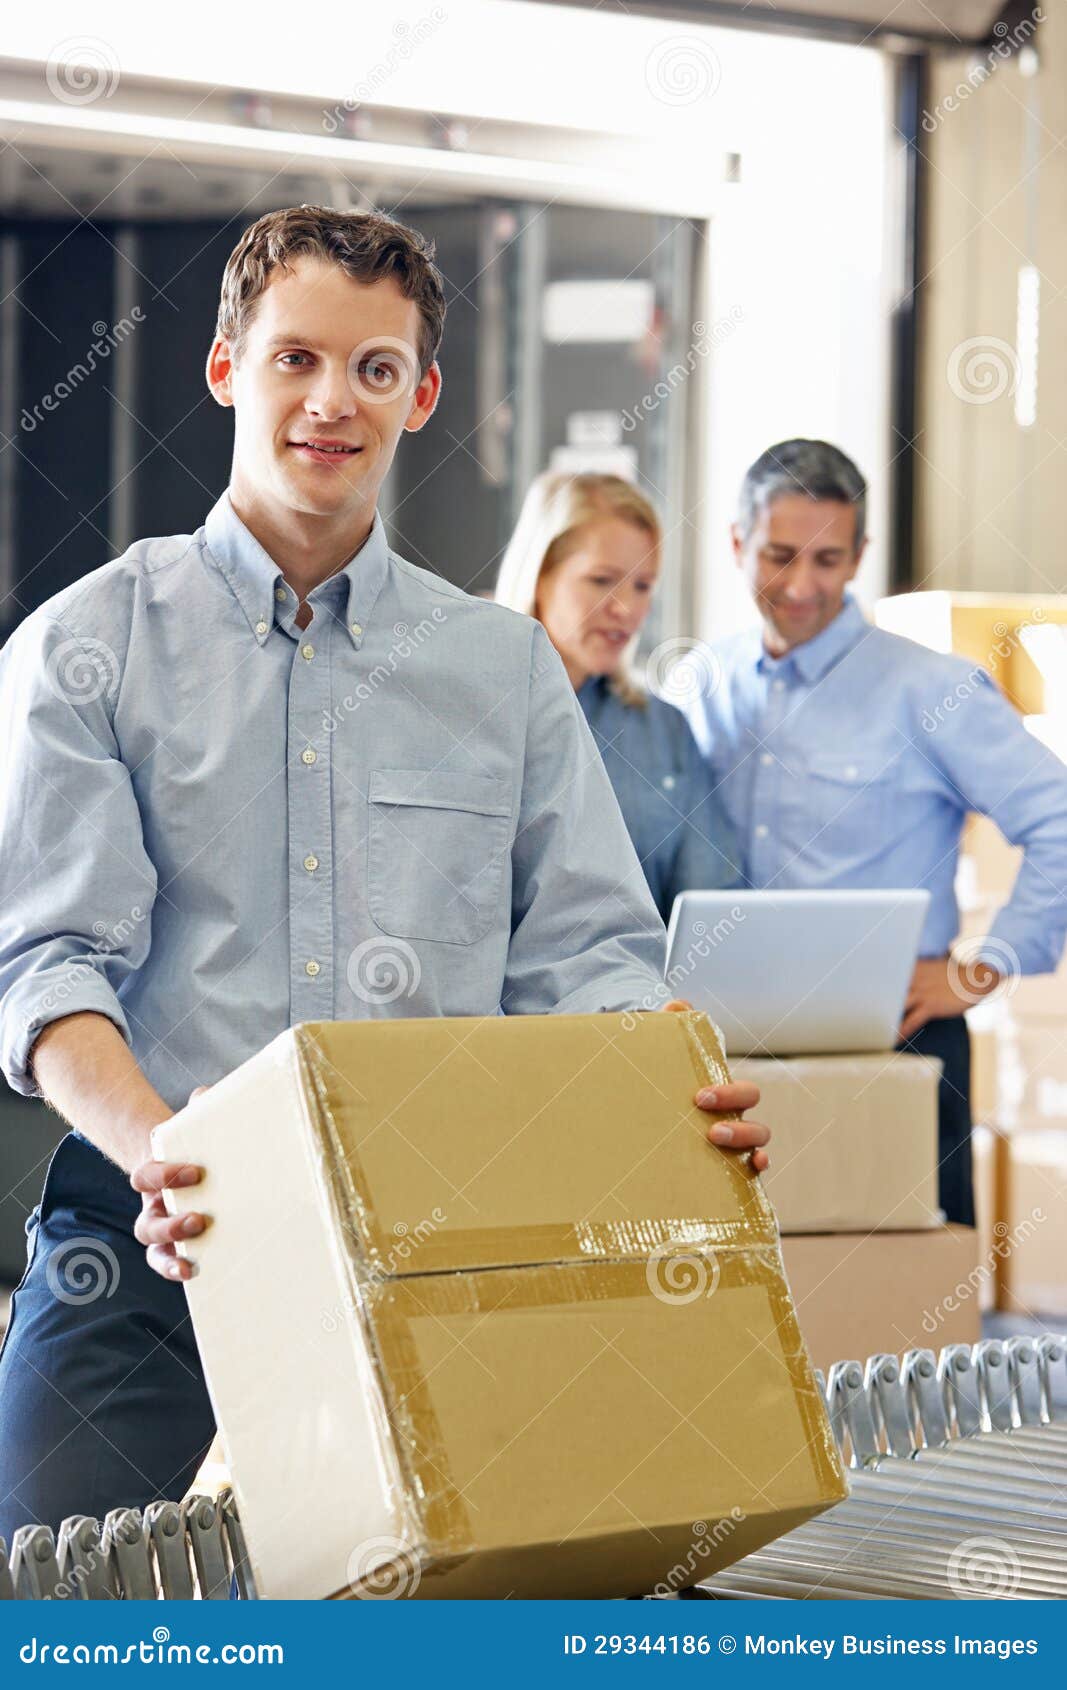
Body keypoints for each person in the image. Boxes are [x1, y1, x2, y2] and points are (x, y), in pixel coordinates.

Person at [0, 207, 770, 1542]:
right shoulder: (90, 644)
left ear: (418, 395)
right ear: (227, 367)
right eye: (295, 358)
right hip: (153, 1219)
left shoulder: (500, 669)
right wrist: (162, 1153)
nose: (330, 402)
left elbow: (583, 951)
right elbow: (48, 962)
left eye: (372, 368)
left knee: (533, 1574)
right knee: (46, 1570)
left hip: (440, 1229)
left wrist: (666, 1086)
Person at [688, 436, 1067, 1226]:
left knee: (912, 1282)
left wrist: (984, 966)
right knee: (764, 1277)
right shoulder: (702, 686)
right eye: (778, 555)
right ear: (735, 543)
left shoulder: (930, 689)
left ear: (859, 556)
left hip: (896, 1038)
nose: (801, 585)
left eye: (827, 560)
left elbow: (1056, 813)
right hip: (736, 1045)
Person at [495, 471, 740, 923]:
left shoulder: (663, 730)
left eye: (642, 585)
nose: (626, 608)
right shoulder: (471, 713)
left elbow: (715, 901)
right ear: (540, 577)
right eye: (602, 580)